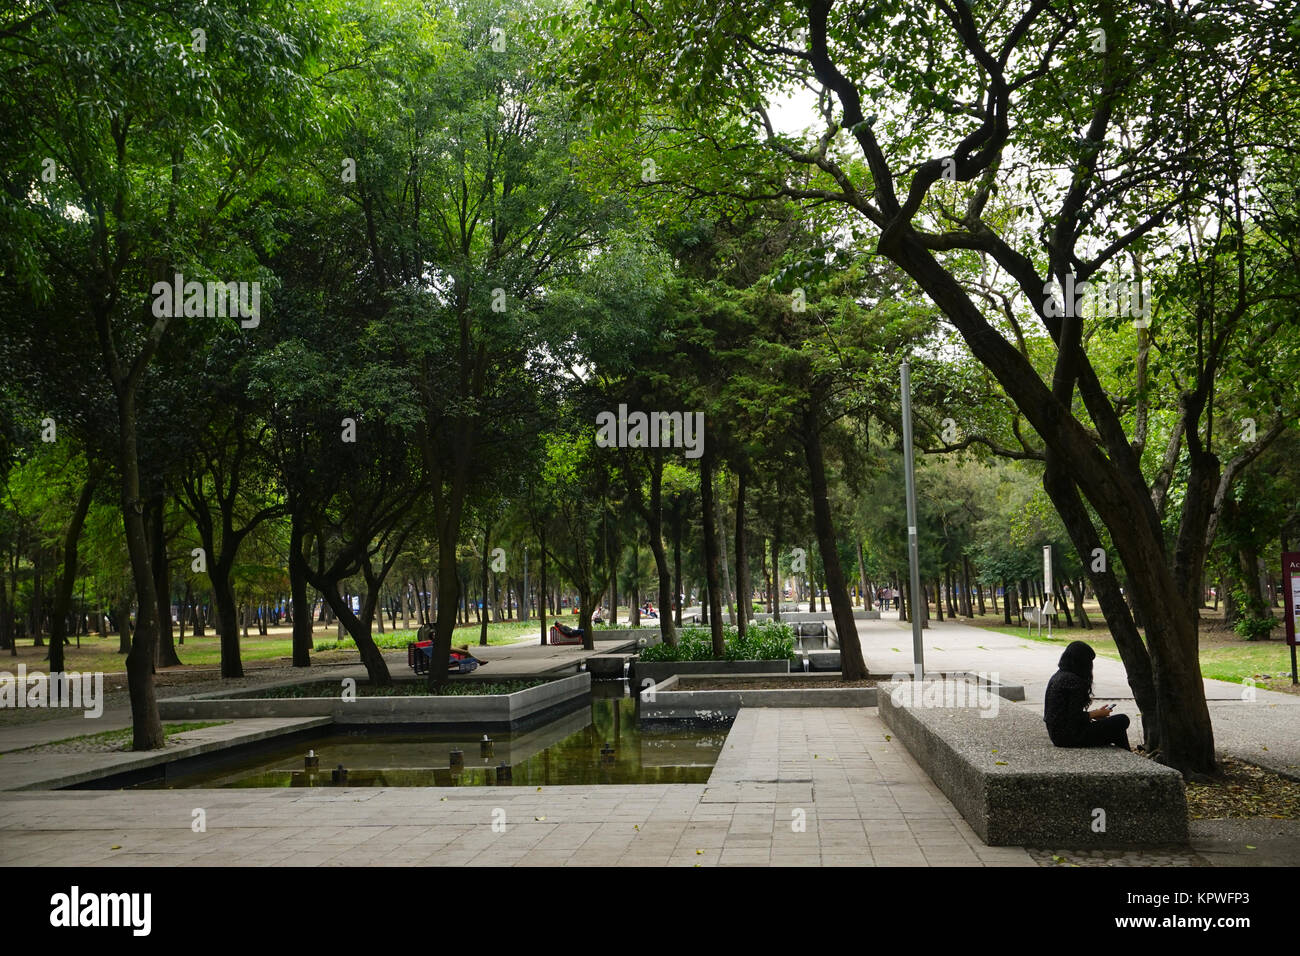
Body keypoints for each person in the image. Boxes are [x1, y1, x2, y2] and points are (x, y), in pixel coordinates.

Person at [1044, 640, 1131, 750]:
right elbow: (1074, 718)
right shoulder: (1074, 681)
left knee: (1116, 729)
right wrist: (1095, 713)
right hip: (1070, 736)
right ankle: (1128, 752)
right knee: (1122, 720)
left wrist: (1095, 714)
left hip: (1056, 734)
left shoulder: (1058, 675)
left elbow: (1067, 714)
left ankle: (1126, 752)